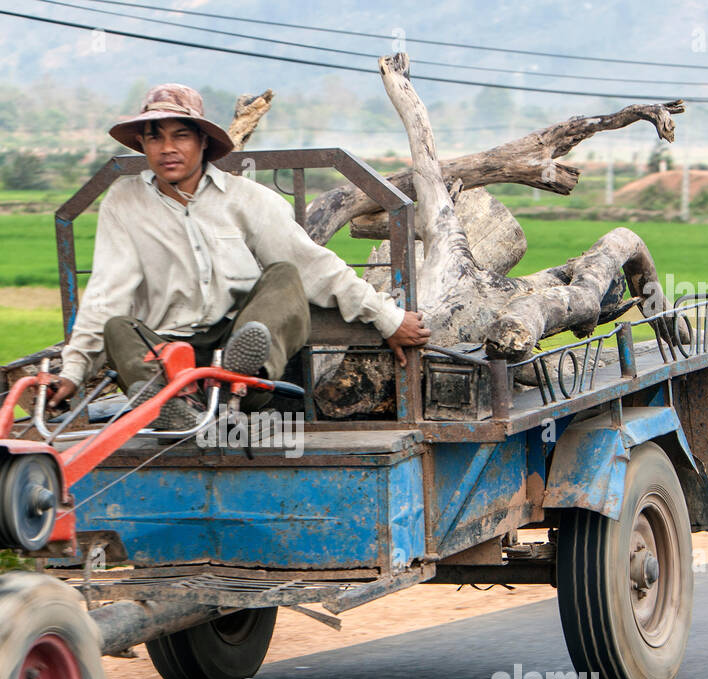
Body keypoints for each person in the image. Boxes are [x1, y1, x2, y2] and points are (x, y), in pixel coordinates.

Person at [49, 83, 429, 428]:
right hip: (166, 352)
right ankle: (172, 407)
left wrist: (386, 316)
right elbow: (105, 291)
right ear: (143, 144)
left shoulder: (246, 199)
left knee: (283, 275)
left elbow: (311, 264)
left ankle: (237, 381)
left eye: (180, 136)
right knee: (117, 327)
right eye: (155, 138)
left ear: (202, 143)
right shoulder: (124, 202)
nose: (167, 148)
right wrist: (73, 369)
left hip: (232, 343)